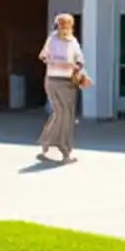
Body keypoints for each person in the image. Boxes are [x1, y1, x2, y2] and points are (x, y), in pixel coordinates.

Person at [38, 13, 84, 163]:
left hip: (68, 82)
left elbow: (79, 59)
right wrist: (62, 63)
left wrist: (77, 67)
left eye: (67, 24)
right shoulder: (52, 39)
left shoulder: (73, 41)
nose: (64, 27)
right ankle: (61, 148)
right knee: (61, 113)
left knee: (66, 115)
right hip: (53, 80)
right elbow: (44, 57)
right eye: (62, 24)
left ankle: (50, 144)